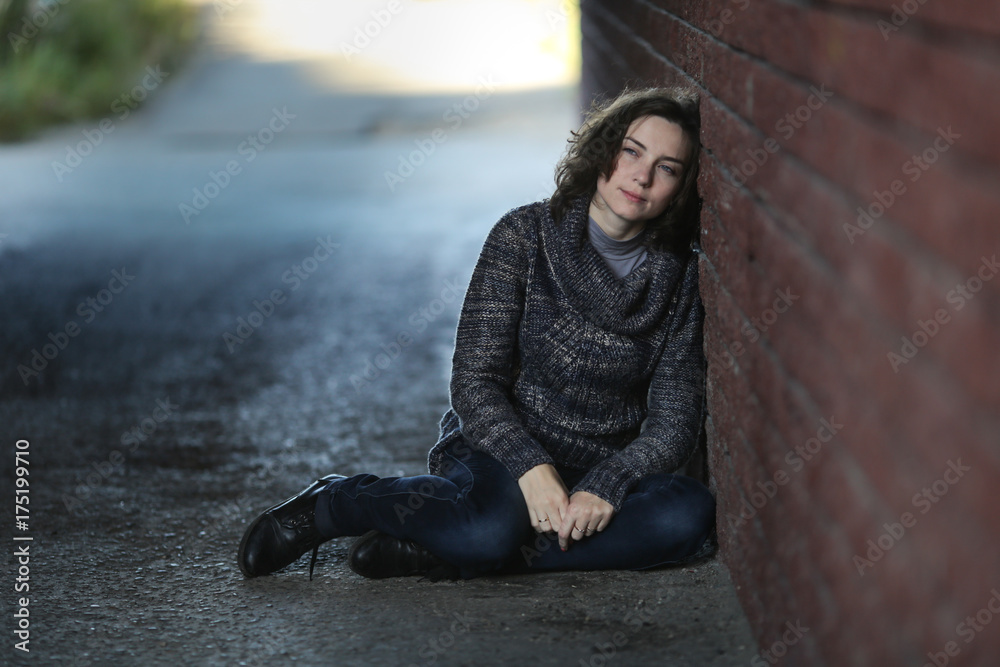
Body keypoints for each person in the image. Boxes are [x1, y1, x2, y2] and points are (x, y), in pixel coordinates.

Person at [237, 86, 715, 582]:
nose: (642, 175)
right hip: (500, 447)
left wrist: (610, 483)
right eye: (632, 151)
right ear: (604, 150)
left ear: (679, 190)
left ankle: (440, 546)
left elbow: (674, 420)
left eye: (667, 168)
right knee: (489, 529)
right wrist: (531, 467)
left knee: (686, 514)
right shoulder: (524, 237)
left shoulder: (678, 279)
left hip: (598, 472)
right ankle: (335, 503)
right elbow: (473, 382)